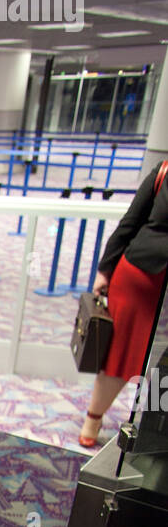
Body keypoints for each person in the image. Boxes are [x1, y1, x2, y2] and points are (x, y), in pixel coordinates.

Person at [79, 159, 168, 447]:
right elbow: (131, 222)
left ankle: (156, 427)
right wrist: (105, 270)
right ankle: (94, 416)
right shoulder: (164, 170)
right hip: (142, 277)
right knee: (120, 353)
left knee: (162, 363)